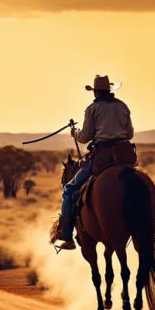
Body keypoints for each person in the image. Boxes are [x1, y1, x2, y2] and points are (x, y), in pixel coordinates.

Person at [53, 75, 136, 251]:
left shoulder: (93, 109)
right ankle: (152, 230)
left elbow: (84, 137)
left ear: (96, 92)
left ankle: (67, 236)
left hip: (102, 156)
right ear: (109, 90)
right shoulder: (122, 106)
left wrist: (74, 132)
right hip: (124, 156)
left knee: (69, 190)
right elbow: (129, 134)